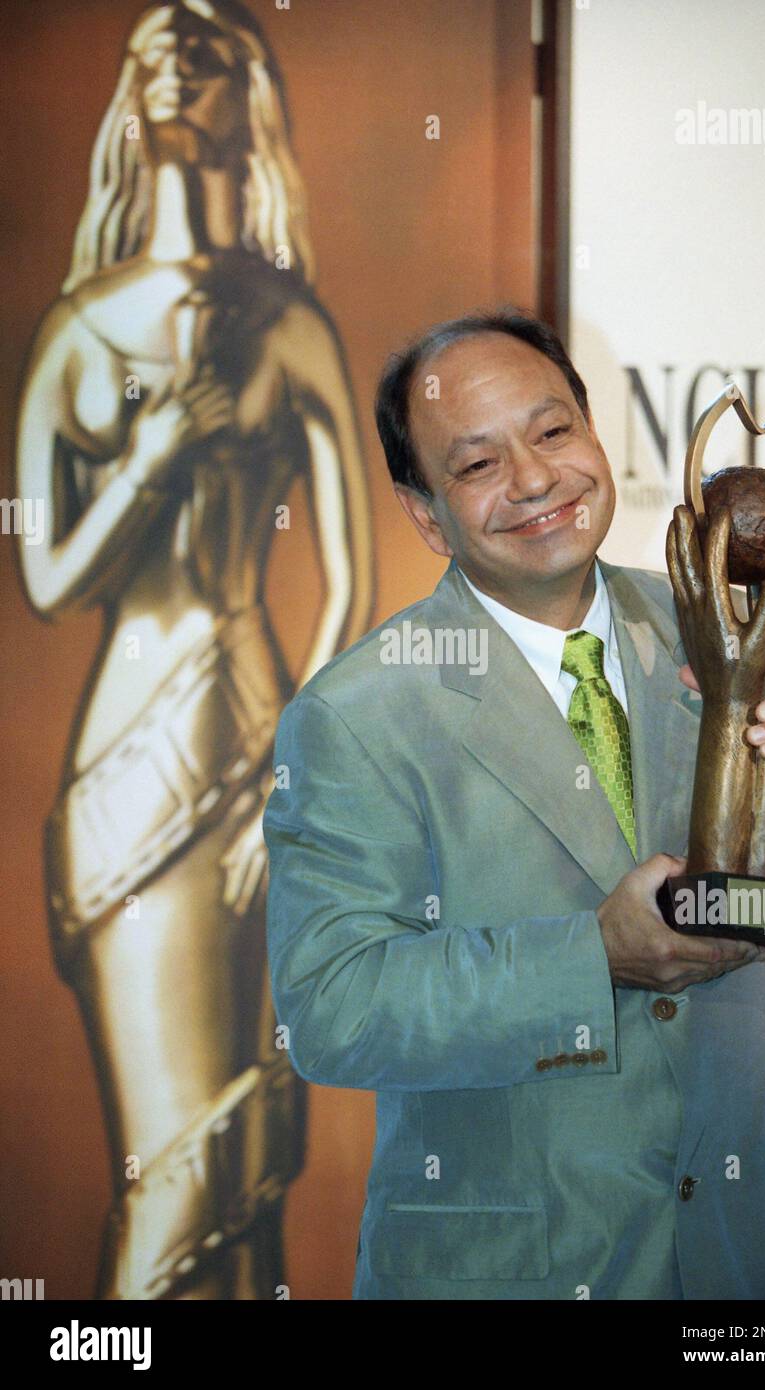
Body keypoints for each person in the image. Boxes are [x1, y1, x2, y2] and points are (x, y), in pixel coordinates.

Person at [263, 308, 765, 1300]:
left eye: (551, 433)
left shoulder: (723, 621)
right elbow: (332, 1009)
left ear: (595, 438)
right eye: (476, 464)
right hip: (509, 1271)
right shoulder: (357, 711)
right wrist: (591, 956)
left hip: (744, 1269)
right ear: (425, 515)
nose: (535, 479)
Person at [16, 0, 372, 1299]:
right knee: (164, 1163)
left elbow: (350, 589)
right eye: (153, 52)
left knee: (245, 1154)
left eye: (207, 53)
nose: (174, 67)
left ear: (248, 101)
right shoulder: (79, 325)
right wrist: (158, 453)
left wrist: (297, 783)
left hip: (255, 742)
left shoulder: (291, 323)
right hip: (127, 759)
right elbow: (51, 575)